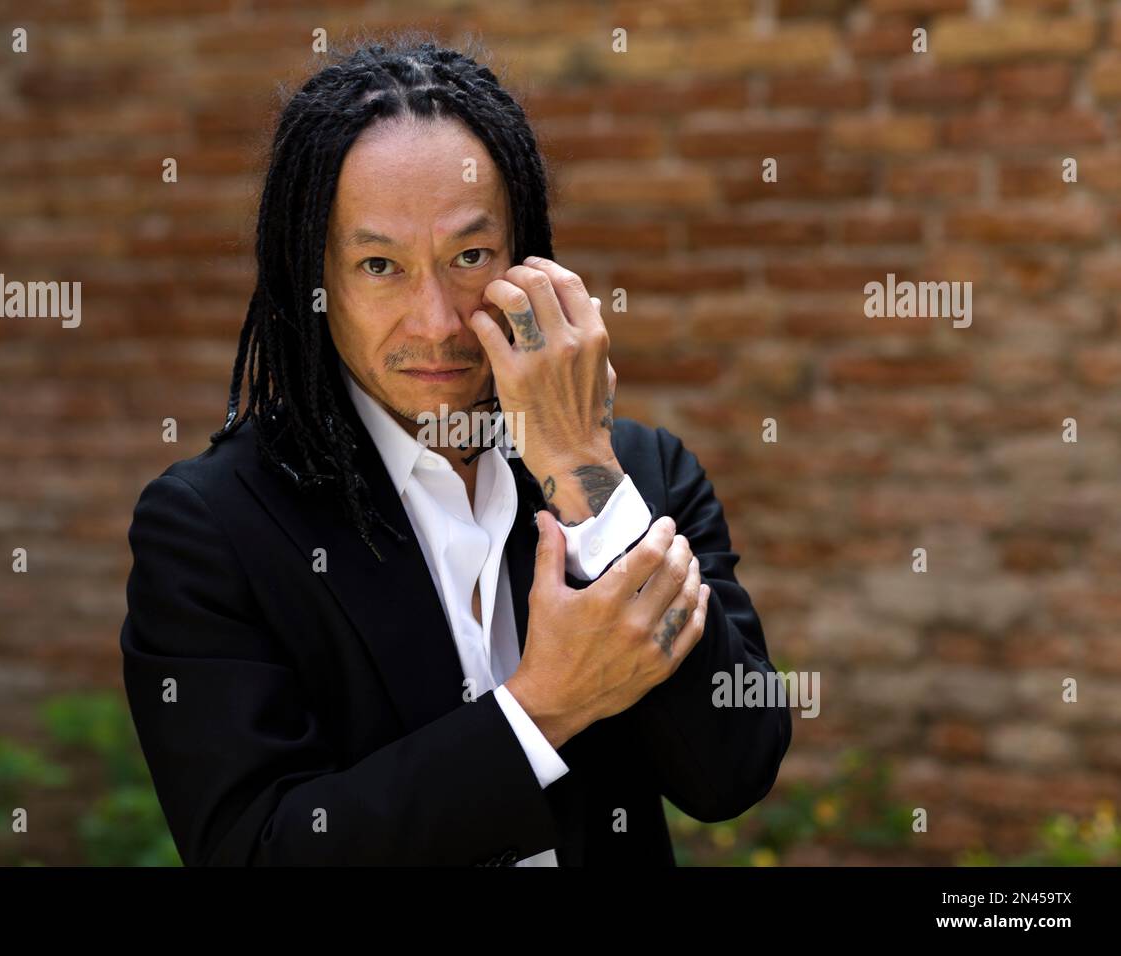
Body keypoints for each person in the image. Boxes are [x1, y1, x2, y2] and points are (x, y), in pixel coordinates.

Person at [119, 33, 791, 866]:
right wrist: (541, 710)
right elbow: (258, 851)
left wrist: (582, 472)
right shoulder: (212, 530)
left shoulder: (641, 478)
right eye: (379, 266)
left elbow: (736, 766)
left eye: (470, 257)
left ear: (527, 261)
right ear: (314, 279)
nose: (435, 320)